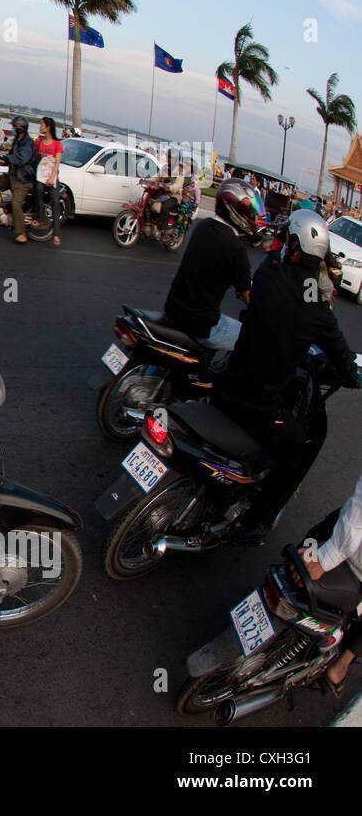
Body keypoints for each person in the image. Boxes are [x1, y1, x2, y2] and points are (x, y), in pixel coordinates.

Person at [214, 209, 360, 541]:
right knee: (296, 447)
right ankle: (254, 521)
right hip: (256, 406)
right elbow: (341, 356)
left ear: (292, 244)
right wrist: (354, 376)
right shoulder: (318, 307)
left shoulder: (267, 276)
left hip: (226, 383)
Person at [163, 178, 259, 349]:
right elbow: (249, 297)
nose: (254, 217)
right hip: (200, 324)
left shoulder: (204, 226)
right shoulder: (236, 249)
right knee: (252, 337)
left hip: (173, 308)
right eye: (250, 212)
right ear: (237, 210)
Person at [300, 476, 362, 695]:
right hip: (336, 551)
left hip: (329, 535)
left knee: (298, 558)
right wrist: (326, 558)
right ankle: (339, 667)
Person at [0, 115, 37, 241]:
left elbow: (21, 159)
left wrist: (6, 159)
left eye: (13, 126)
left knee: (16, 203)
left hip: (23, 179)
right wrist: (1, 159)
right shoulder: (18, 140)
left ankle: (22, 233)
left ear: (20, 128)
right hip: (13, 175)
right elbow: (11, 156)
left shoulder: (28, 143)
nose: (12, 128)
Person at [34, 117, 64, 246]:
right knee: (38, 190)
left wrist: (52, 177)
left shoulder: (57, 144)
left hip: (52, 176)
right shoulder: (39, 141)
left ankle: (56, 233)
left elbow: (57, 162)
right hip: (40, 175)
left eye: (42, 125)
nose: (40, 127)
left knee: (55, 201)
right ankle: (40, 218)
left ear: (48, 127)